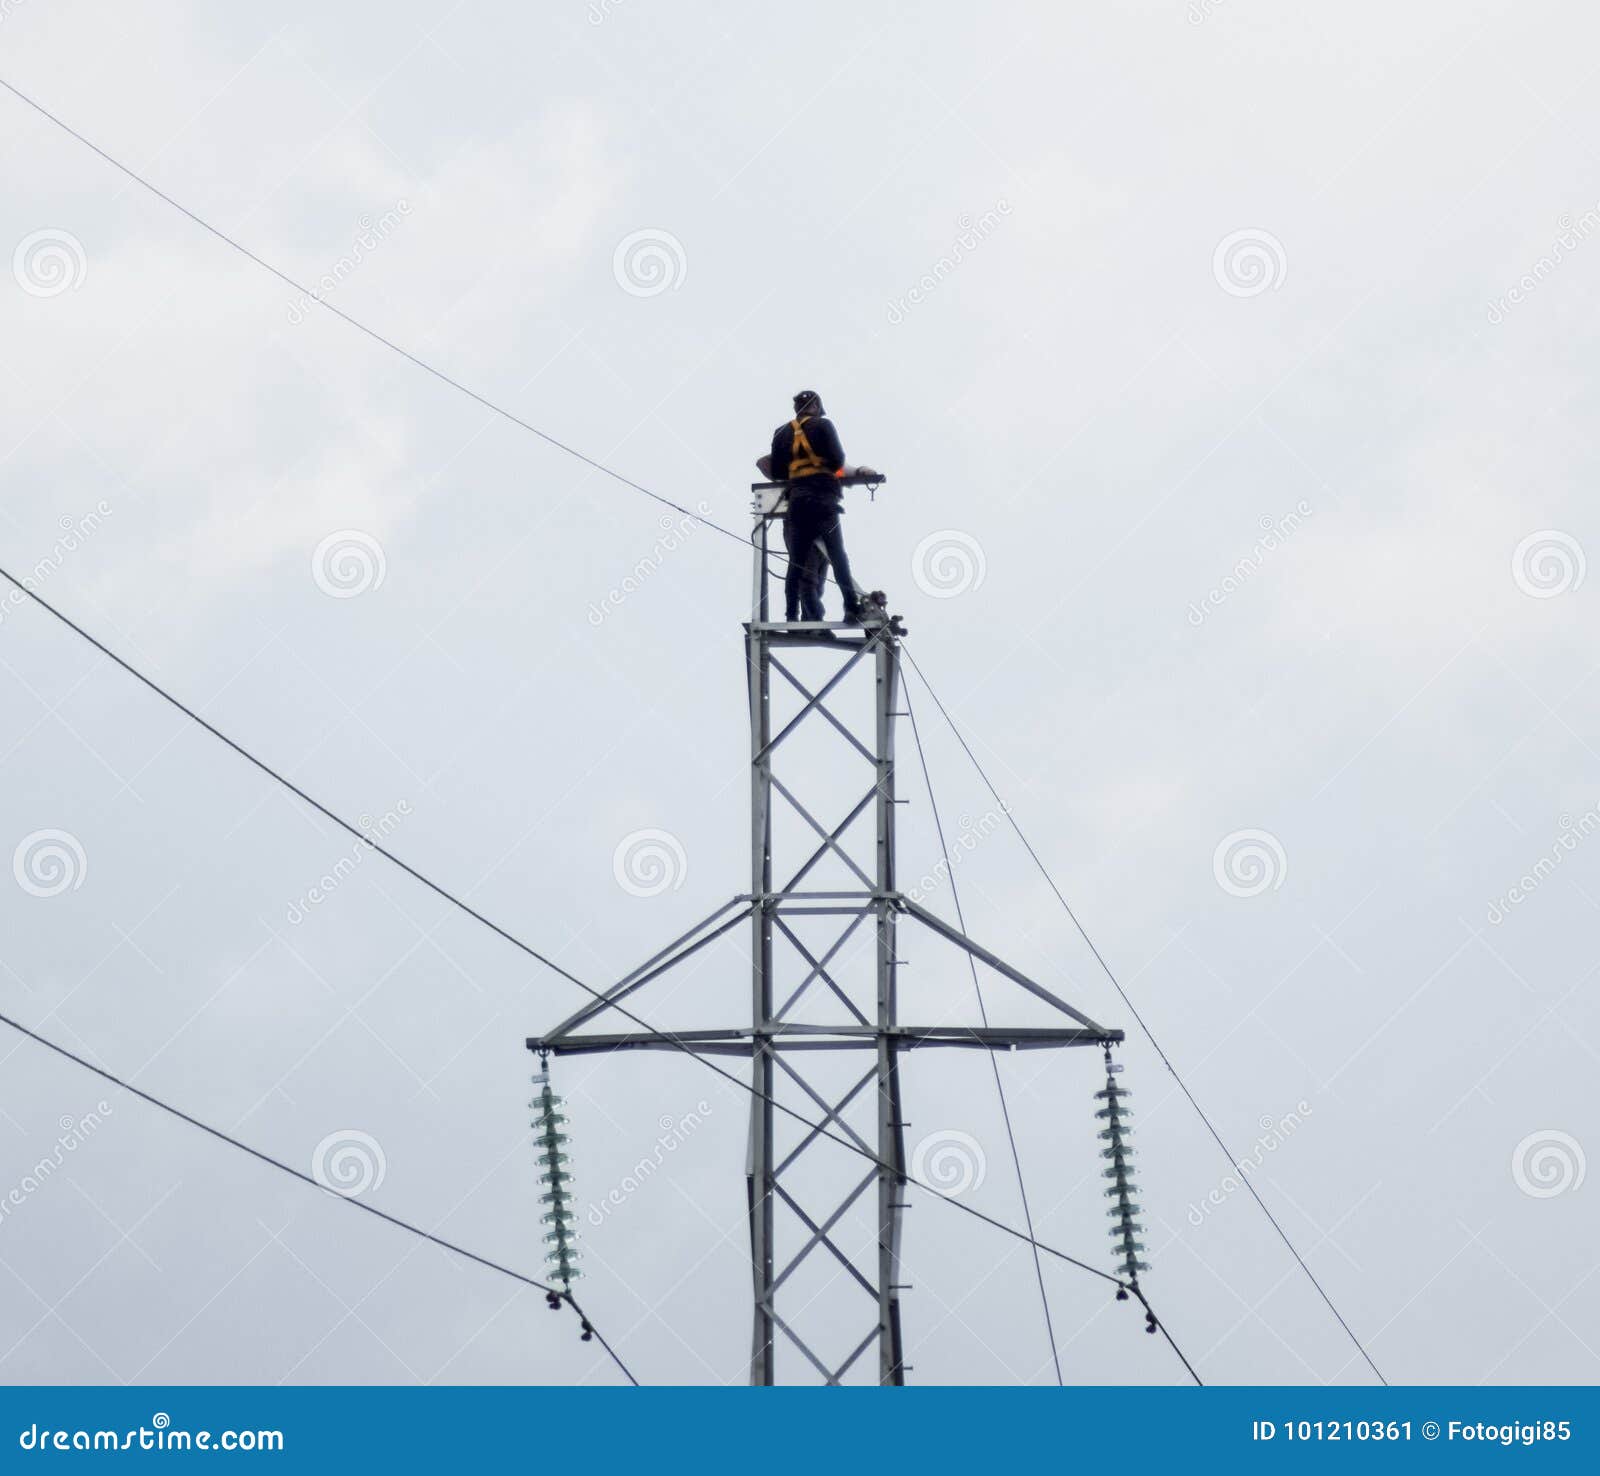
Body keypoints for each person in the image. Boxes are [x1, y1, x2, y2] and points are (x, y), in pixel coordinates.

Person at [762, 390, 864, 623]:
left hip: (798, 503)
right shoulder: (823, 425)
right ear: (816, 406)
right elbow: (837, 460)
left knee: (796, 563)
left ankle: (791, 615)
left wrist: (797, 471)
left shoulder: (781, 432)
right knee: (837, 556)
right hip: (823, 502)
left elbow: (777, 470)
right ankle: (851, 607)